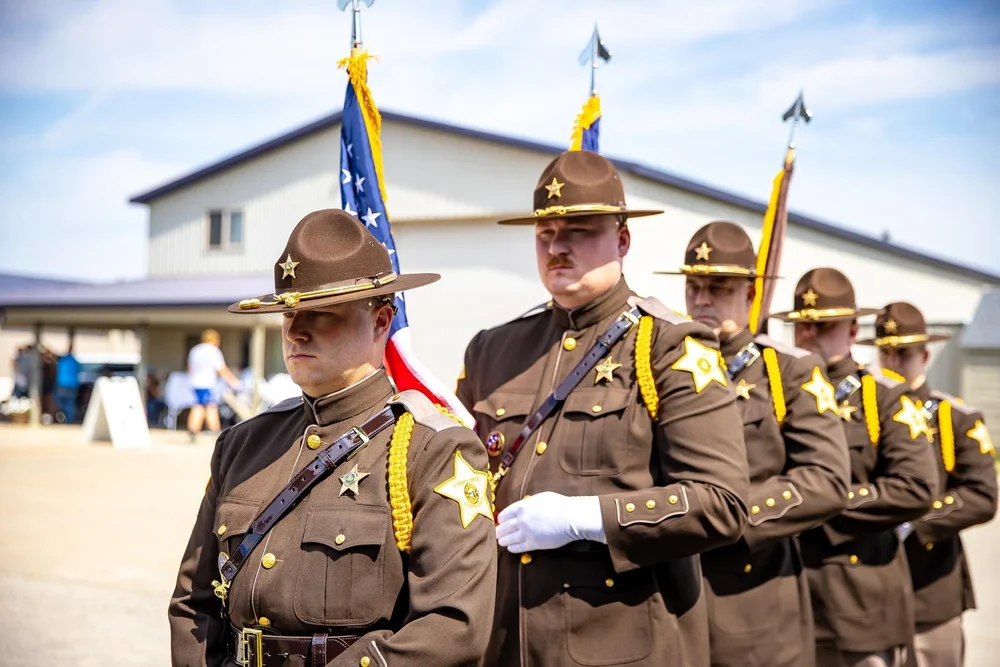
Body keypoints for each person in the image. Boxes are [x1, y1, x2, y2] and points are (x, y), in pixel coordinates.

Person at [457, 150, 750, 667]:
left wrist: (586, 518)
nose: (557, 247)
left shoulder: (670, 346)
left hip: (623, 642)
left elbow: (720, 504)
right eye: (545, 233)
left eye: (579, 231)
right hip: (507, 642)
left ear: (622, 240)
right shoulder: (493, 349)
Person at [169, 209, 497, 667]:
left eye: (321, 313)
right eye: (289, 312)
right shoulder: (243, 444)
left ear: (381, 321)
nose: (295, 331)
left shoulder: (432, 448)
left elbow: (453, 627)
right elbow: (193, 604)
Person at [659, 222, 850, 666]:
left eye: (718, 288)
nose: (702, 300)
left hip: (752, 594)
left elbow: (826, 480)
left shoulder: (787, 370)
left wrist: (721, 518)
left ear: (750, 295)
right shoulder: (660, 359)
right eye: (694, 287)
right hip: (667, 593)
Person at [771, 269, 937, 667]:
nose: (809, 336)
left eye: (823, 326)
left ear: (850, 331)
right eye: (802, 326)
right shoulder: (770, 388)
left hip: (857, 597)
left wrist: (820, 500)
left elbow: (916, 486)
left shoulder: (885, 397)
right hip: (781, 595)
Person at [858, 302, 997, 667]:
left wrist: (913, 519)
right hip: (869, 588)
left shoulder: (954, 417)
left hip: (931, 586)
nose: (893, 362)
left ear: (924, 355)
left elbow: (982, 495)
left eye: (903, 354)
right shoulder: (860, 412)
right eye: (886, 353)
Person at [186, 329, 240, 440]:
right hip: (207, 383)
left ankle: (194, 430)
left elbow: (189, 368)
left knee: (200, 405)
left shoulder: (195, 350)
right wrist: (233, 381)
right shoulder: (213, 351)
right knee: (209, 407)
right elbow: (221, 369)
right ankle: (214, 431)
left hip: (195, 383)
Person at [55, 343, 82, 424]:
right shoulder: (74, 361)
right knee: (70, 403)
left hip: (63, 384)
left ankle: (65, 418)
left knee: (61, 402)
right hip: (72, 385)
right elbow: (79, 370)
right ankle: (69, 420)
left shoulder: (63, 360)